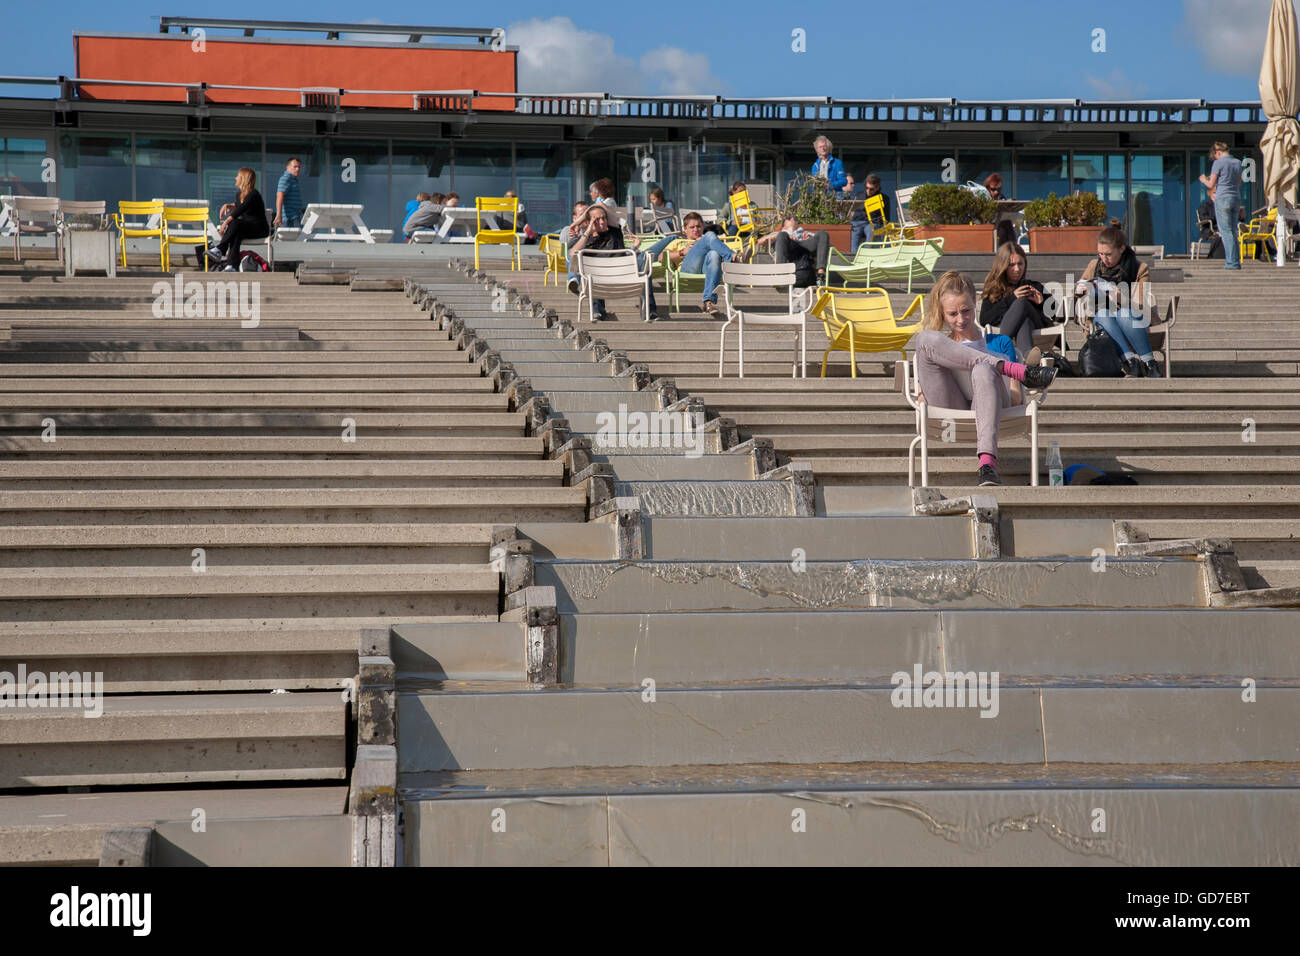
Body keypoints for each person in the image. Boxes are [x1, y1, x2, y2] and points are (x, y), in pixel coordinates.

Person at [915, 270, 1057, 486]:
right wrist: (921, 393)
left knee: (982, 369)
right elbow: (925, 391)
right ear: (943, 313)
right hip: (952, 408)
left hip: (992, 406)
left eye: (966, 311)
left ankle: (987, 464)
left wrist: (994, 380)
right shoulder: (939, 347)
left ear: (975, 303)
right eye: (952, 314)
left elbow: (1017, 398)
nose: (961, 320)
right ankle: (1015, 370)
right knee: (925, 337)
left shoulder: (1000, 343)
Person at [1075, 225, 1159, 377]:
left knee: (1124, 314)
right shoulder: (1094, 265)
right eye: (1100, 253)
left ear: (1121, 249)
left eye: (1108, 254)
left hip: (1133, 318)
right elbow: (1079, 288)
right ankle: (1130, 363)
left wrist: (1122, 299)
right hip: (1102, 318)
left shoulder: (1139, 269)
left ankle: (1150, 365)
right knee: (1104, 313)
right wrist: (1081, 290)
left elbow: (1142, 304)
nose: (1104, 259)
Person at [564, 204, 660, 321]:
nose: (602, 222)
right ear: (589, 222)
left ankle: (649, 313)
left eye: (603, 218)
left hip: (622, 276)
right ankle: (598, 313)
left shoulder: (615, 231)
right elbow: (572, 254)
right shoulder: (585, 241)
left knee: (643, 261)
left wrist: (579, 221)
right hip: (599, 280)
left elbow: (600, 204)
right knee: (591, 272)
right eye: (596, 220)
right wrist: (588, 229)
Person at [980, 242, 1052, 360]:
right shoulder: (994, 290)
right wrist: (1011, 299)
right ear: (1002, 266)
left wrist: (1042, 303)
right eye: (1011, 265)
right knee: (1024, 321)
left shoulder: (1034, 286)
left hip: (1039, 326)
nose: (1017, 269)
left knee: (1022, 303)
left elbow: (1059, 316)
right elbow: (984, 319)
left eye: (1020, 264)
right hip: (1017, 327)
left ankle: (998, 349)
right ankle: (1028, 357)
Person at [661, 211, 737, 315]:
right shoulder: (678, 242)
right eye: (692, 227)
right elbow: (661, 258)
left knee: (714, 253)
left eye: (698, 226)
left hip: (707, 270)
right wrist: (682, 252)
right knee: (710, 234)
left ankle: (708, 302)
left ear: (702, 227)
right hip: (687, 270)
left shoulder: (712, 241)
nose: (696, 229)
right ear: (685, 229)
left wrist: (704, 241)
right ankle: (733, 258)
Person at [211, 167, 269, 270]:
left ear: (243, 179)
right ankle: (231, 265)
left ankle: (220, 249)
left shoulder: (253, 194)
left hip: (259, 229)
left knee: (236, 223)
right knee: (236, 233)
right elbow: (239, 205)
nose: (235, 178)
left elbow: (241, 209)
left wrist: (225, 223)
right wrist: (229, 205)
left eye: (238, 176)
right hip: (247, 228)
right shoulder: (239, 194)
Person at [1198, 141, 1243, 270]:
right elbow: (1239, 183)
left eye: (1215, 156)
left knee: (1225, 231)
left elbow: (1211, 184)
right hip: (1235, 197)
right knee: (1233, 230)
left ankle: (1231, 263)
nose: (1215, 158)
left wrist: (1203, 179)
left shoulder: (1218, 163)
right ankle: (1235, 261)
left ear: (1217, 152)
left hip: (1222, 198)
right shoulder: (1238, 162)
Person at [756, 215, 829, 287]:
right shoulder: (778, 234)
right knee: (782, 235)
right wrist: (782, 235)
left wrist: (810, 238)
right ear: (783, 226)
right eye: (788, 218)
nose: (792, 218)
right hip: (790, 249)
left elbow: (826, 244)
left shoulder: (807, 233)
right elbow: (760, 242)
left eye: (795, 218)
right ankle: (781, 274)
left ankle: (820, 276)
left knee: (823, 233)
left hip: (805, 248)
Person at [850, 173, 894, 253]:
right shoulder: (858, 195)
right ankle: (853, 256)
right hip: (858, 222)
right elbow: (852, 213)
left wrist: (881, 222)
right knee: (854, 232)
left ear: (877, 187)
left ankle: (867, 255)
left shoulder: (884, 198)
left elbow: (886, 218)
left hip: (872, 223)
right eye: (866, 188)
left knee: (871, 231)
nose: (868, 191)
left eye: (871, 189)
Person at [273, 158, 303, 229]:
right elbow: (280, 195)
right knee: (291, 239)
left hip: (295, 216)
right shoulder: (286, 178)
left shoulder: (293, 179)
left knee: (297, 239)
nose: (297, 169)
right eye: (295, 167)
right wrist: (279, 214)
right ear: (288, 167)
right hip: (289, 218)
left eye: (299, 167)